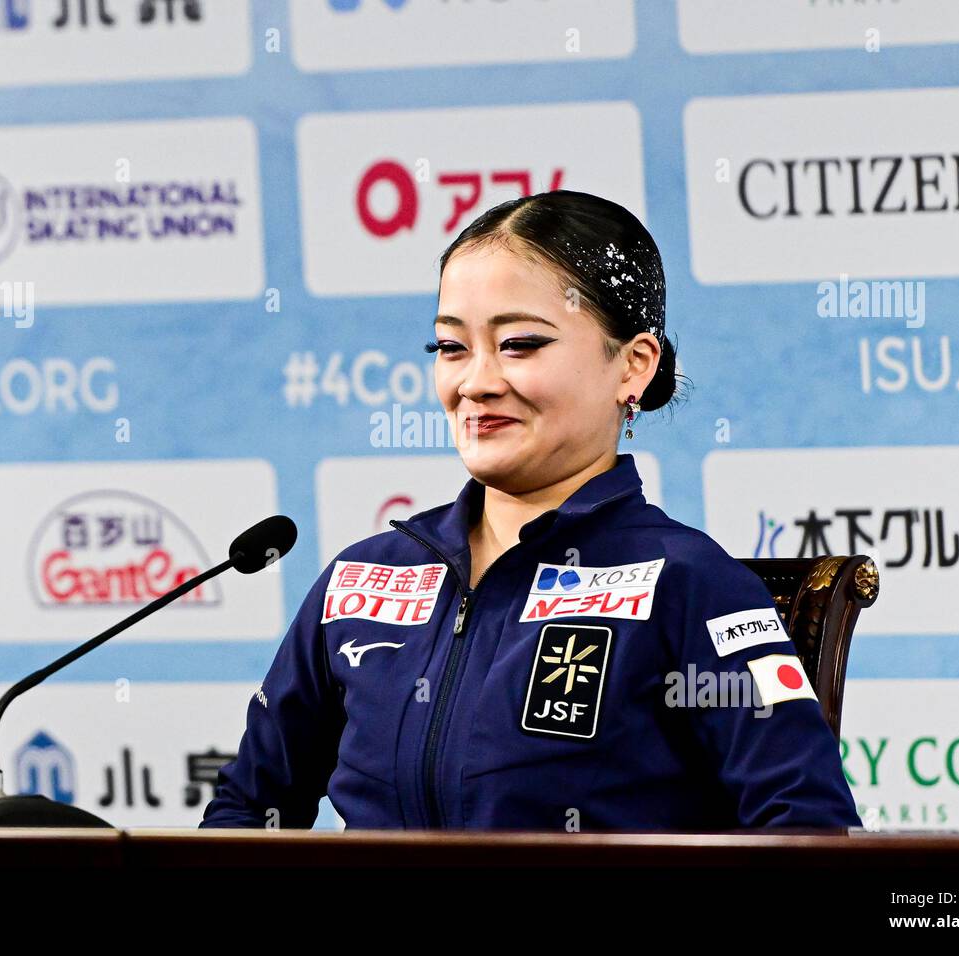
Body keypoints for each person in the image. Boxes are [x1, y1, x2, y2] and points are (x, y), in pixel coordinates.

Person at [200, 189, 861, 831]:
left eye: (519, 344)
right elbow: (246, 815)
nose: (477, 381)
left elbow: (807, 835)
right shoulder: (361, 580)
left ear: (633, 365)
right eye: (450, 347)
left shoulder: (692, 585)